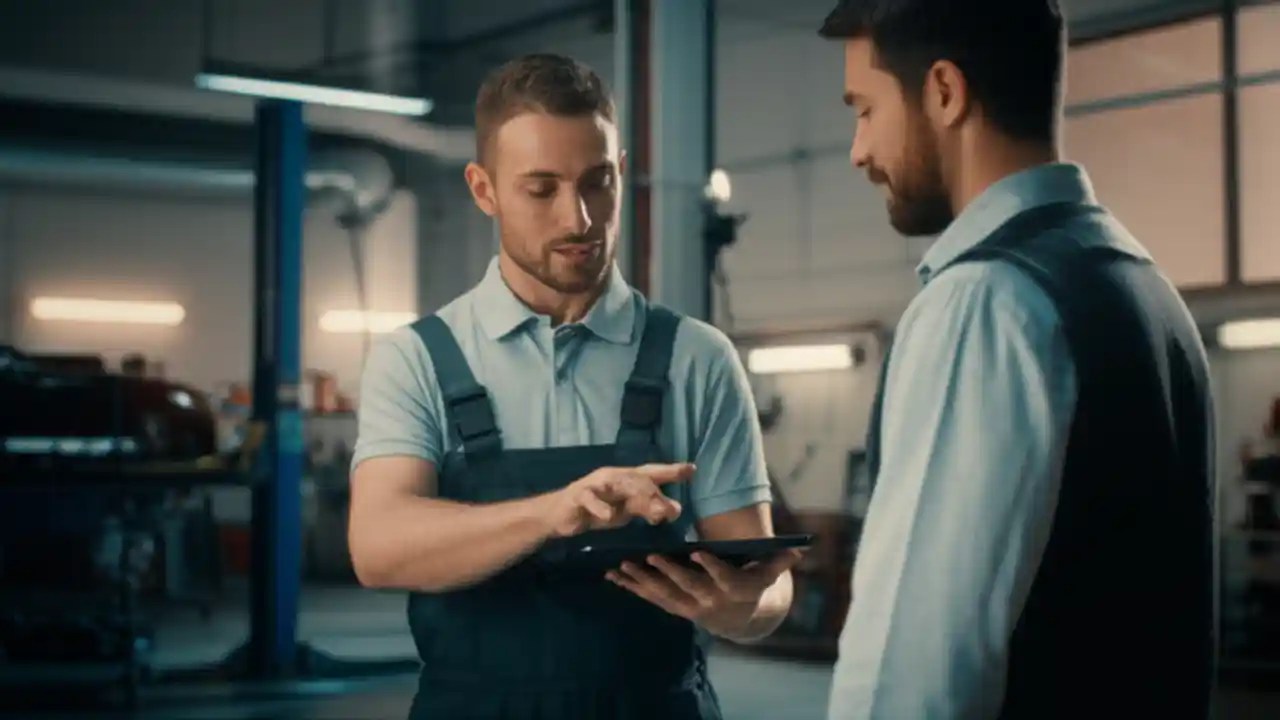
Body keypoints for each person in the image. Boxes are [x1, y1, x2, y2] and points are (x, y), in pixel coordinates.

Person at [346, 53, 801, 720]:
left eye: (599, 182)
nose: (580, 219)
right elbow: (379, 549)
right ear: (484, 190)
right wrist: (553, 512)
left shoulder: (697, 358)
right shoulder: (414, 360)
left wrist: (750, 608)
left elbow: (763, 589)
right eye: (542, 189)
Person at [816, 1, 1216, 718]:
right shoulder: (1141, 288)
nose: (857, 151)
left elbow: (915, 675)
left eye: (865, 110)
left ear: (944, 91)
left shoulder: (986, 302)